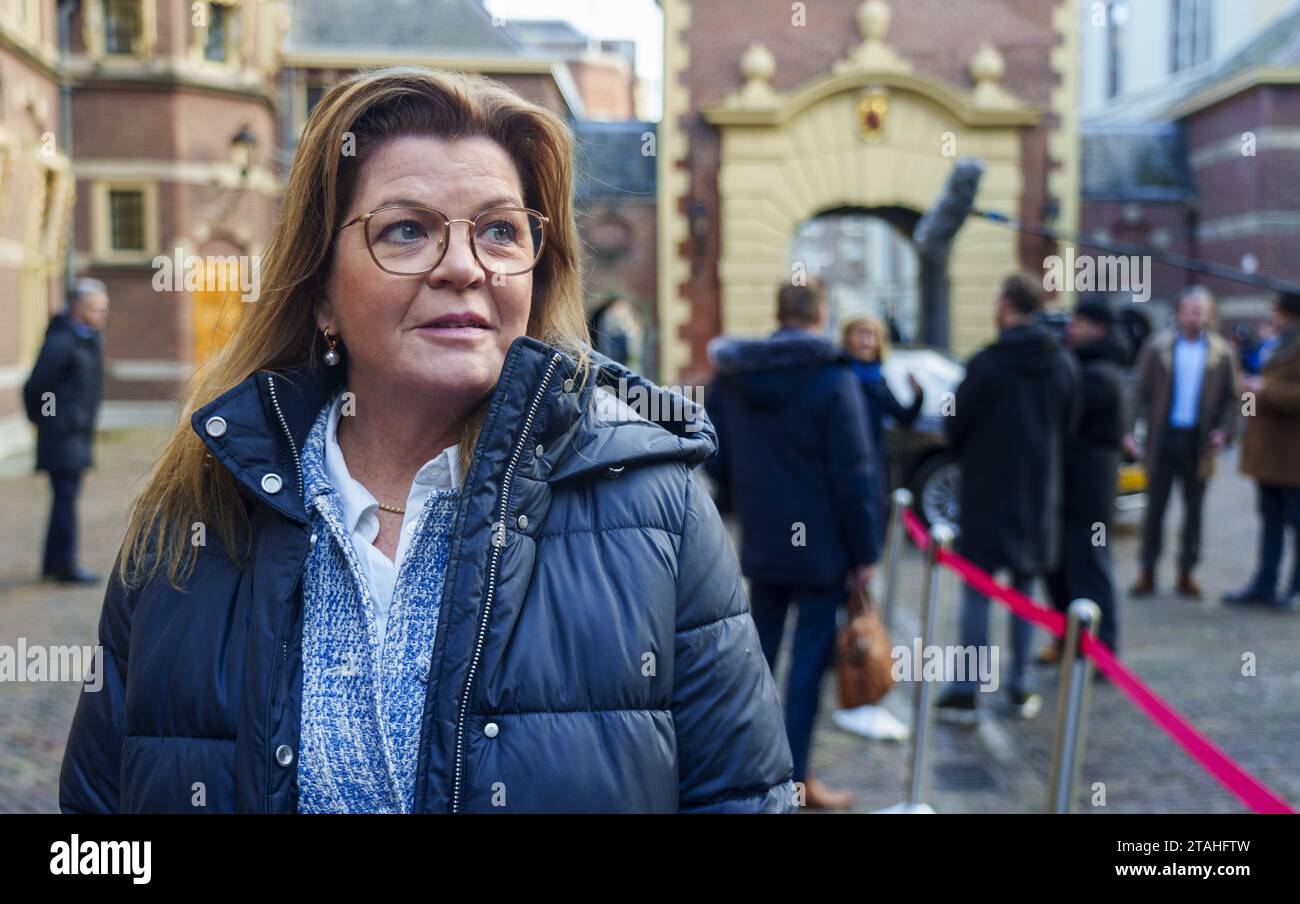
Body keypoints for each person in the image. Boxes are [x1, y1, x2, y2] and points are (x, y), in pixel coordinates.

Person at [59, 68, 796, 814]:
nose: (463, 267)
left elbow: (743, 799)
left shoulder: (659, 511)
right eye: (406, 230)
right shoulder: (192, 519)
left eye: (501, 231)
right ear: (319, 290)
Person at [706, 280, 881, 811]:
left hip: (763, 540)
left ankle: (744, 775)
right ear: (820, 312)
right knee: (805, 669)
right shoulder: (832, 377)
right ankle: (797, 782)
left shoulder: (732, 378)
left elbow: (715, 455)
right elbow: (854, 472)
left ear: (779, 312)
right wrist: (865, 551)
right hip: (822, 547)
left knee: (754, 661)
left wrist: (746, 502)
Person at [936, 274, 1079, 723]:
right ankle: (1017, 687)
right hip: (1037, 495)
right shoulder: (1062, 364)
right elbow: (1069, 425)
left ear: (1006, 305)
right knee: (1024, 594)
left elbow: (954, 425)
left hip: (986, 494)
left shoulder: (986, 363)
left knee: (978, 595)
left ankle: (967, 691)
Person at [1126, 286, 1239, 599]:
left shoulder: (1222, 352)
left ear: (1209, 314)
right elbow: (1137, 389)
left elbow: (1234, 398)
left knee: (1194, 512)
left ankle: (1186, 572)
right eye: (1190, 310)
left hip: (1199, 442)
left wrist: (1225, 431)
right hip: (1163, 438)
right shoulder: (1158, 347)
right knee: (1155, 510)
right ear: (1179, 312)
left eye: (1201, 310)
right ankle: (1147, 570)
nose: (1195, 316)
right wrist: (1129, 430)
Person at [1041, 298, 1127, 662]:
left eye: (1078, 323)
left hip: (1088, 492)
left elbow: (1059, 412)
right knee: (1061, 571)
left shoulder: (1099, 374)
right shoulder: (1084, 366)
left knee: (1089, 570)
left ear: (1099, 329)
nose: (1070, 329)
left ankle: (1102, 651)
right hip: (1071, 489)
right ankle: (1069, 640)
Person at [23, 279, 109, 585]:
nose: (101, 314)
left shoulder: (86, 338)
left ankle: (53, 563)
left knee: (65, 499)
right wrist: (51, 420)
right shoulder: (62, 342)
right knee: (66, 501)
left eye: (104, 309)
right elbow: (36, 388)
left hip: (75, 436)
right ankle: (65, 566)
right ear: (77, 308)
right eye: (95, 308)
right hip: (63, 437)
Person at [1224, 292, 1300, 611]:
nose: (1272, 316)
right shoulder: (1275, 344)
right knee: (1270, 522)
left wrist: (1263, 389)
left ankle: (1294, 589)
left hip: (1292, 458)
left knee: (1297, 525)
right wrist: (1248, 395)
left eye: (1277, 311)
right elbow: (1253, 408)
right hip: (1268, 456)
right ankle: (1264, 583)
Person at [842, 315, 924, 537]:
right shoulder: (840, 373)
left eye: (872, 335)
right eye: (861, 333)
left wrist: (918, 396)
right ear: (848, 338)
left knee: (871, 513)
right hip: (843, 456)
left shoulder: (878, 379)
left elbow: (903, 417)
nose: (867, 341)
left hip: (872, 457)